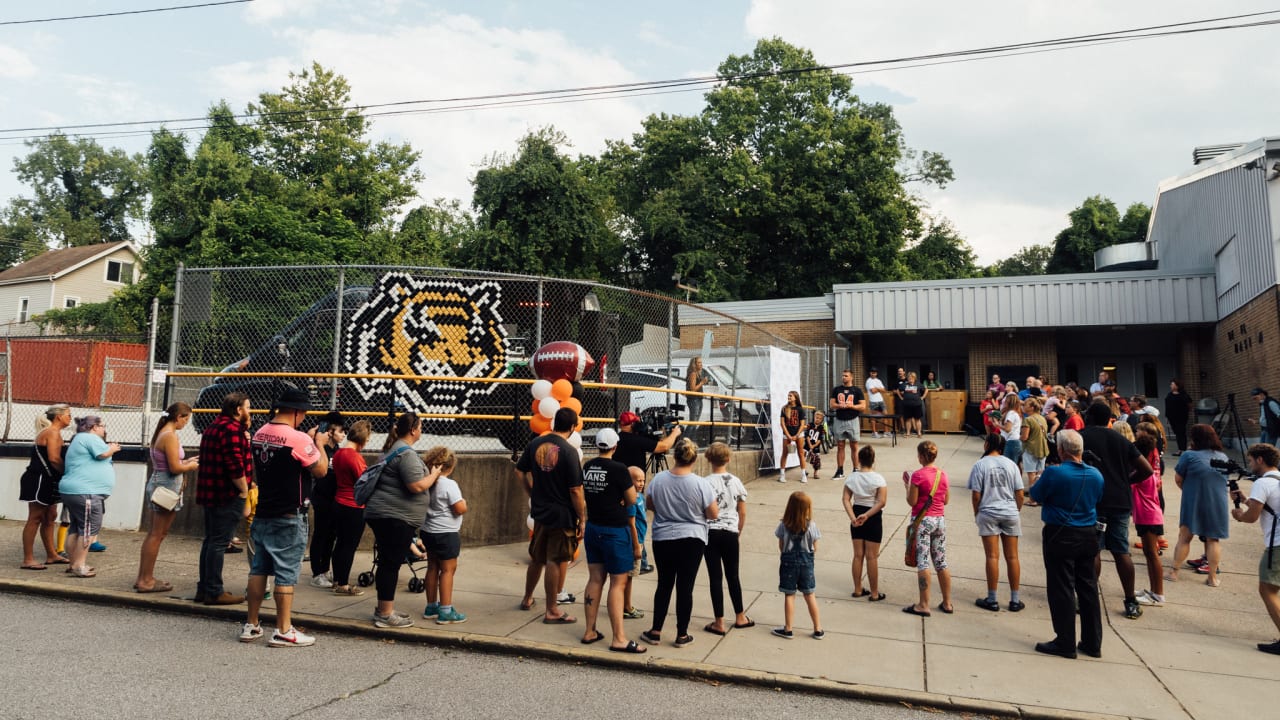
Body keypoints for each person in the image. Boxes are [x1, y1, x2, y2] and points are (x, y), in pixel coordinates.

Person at [239, 388, 331, 647]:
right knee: (286, 573)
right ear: (297, 411)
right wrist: (319, 445)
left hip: (264, 510)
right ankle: (283, 628)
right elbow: (321, 470)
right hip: (290, 512)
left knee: (259, 569)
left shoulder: (259, 433)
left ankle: (252, 624)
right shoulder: (299, 439)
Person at [362, 412, 442, 629]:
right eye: (421, 426)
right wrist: (434, 474)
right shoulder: (405, 454)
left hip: (387, 515)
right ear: (414, 430)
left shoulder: (394, 450)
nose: (422, 430)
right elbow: (415, 485)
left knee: (388, 562)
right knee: (390, 564)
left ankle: (384, 609)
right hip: (393, 517)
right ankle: (385, 615)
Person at [1030, 429, 1105, 659]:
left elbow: (1035, 495)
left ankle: (1065, 641)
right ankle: (1092, 643)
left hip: (1060, 532)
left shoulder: (1055, 473)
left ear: (1061, 450)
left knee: (1061, 587)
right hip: (1088, 533)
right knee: (1088, 587)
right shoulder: (1096, 475)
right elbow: (1098, 498)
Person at [640, 437, 716, 648]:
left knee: (664, 584)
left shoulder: (658, 480)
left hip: (664, 536)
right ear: (693, 459)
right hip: (693, 538)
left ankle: (656, 630)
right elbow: (712, 513)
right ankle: (681, 634)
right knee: (685, 586)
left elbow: (650, 503)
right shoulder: (701, 484)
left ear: (675, 456)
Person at [1080, 401, 1153, 620]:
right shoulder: (1122, 440)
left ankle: (1088, 596)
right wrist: (1127, 480)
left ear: (1091, 417)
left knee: (1093, 550)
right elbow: (1146, 469)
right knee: (1121, 551)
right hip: (1121, 501)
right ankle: (1130, 599)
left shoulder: (1082, 436)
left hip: (1095, 501)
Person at [517, 408, 586, 623]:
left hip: (540, 511)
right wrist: (582, 517)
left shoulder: (535, 444)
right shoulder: (569, 451)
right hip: (561, 513)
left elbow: (519, 471)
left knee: (537, 558)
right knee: (555, 560)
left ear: (554, 423)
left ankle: (527, 598)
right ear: (573, 427)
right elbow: (575, 490)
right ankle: (552, 609)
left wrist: (531, 492)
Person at [579, 429, 644, 652]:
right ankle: (619, 638)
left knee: (595, 579)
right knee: (618, 583)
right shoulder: (619, 469)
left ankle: (590, 631)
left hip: (594, 526)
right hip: (615, 530)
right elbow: (632, 499)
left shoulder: (588, 466)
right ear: (615, 446)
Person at [135, 402, 199, 593]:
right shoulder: (169, 436)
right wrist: (190, 466)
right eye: (186, 419)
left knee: (156, 534)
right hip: (166, 486)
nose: (186, 423)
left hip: (161, 483)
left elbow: (171, 463)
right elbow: (175, 468)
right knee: (157, 534)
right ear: (179, 417)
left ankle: (144, 577)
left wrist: (185, 462)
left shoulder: (161, 433)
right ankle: (146, 580)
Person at [195, 393, 252, 605]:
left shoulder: (213, 427)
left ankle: (204, 587)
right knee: (219, 543)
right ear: (238, 409)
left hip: (211, 492)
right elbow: (235, 465)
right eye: (248, 407)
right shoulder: (232, 430)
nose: (250, 411)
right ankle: (214, 590)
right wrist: (244, 491)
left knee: (211, 541)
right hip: (226, 494)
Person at [1229, 443, 1280, 654]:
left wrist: (1239, 515)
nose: (1249, 464)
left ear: (1260, 460)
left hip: (1277, 545)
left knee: (1267, 589)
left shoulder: (1262, 483)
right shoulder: (1277, 479)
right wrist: (1244, 499)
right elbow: (1269, 506)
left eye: (1250, 460)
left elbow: (1252, 517)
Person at [1167, 424, 1231, 587]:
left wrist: (1189, 490)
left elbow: (1178, 479)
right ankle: (1212, 577)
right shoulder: (1223, 457)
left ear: (1194, 439)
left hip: (1194, 500)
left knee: (1185, 537)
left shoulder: (1189, 455)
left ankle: (1174, 572)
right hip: (1218, 502)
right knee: (1213, 540)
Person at [968, 434, 1025, 612]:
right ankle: (1015, 599)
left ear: (986, 445)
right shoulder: (1011, 465)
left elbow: (976, 495)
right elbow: (1020, 493)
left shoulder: (980, 465)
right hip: (1010, 512)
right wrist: (1016, 510)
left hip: (988, 511)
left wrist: (977, 513)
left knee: (992, 556)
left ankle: (992, 598)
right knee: (1013, 557)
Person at [59, 416, 121, 578]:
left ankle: (73, 564)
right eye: (102, 426)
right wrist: (112, 448)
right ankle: (79, 565)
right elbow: (101, 455)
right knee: (88, 528)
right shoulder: (89, 437)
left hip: (75, 490)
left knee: (76, 527)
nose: (104, 429)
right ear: (94, 427)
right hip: (86, 492)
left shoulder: (79, 439)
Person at [702, 442, 751, 636]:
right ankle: (740, 616)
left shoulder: (704, 482)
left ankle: (719, 621)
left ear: (708, 459)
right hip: (730, 531)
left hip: (711, 532)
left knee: (715, 577)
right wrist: (738, 530)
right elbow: (743, 511)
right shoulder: (736, 481)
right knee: (733, 575)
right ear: (728, 459)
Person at [902, 440, 952, 617]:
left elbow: (912, 502)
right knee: (941, 561)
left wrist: (907, 487)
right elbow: (945, 500)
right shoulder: (943, 474)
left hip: (923, 522)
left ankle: (923, 604)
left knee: (923, 562)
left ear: (922, 456)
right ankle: (947, 602)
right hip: (939, 520)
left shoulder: (918, 475)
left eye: (918, 454)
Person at [419, 447, 468, 625]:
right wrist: (464, 503)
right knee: (448, 570)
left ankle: (431, 606)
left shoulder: (427, 482)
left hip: (428, 531)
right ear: (450, 466)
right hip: (446, 533)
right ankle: (446, 611)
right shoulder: (449, 484)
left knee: (432, 567)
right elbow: (459, 509)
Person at [20, 404, 70, 570]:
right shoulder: (52, 433)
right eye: (68, 414)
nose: (70, 418)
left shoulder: (55, 433)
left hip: (49, 480)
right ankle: (28, 559)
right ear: (58, 417)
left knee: (50, 516)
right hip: (39, 479)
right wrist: (68, 473)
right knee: (35, 517)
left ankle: (51, 555)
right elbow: (54, 459)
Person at [773, 491, 824, 640]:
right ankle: (818, 628)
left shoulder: (784, 525)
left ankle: (788, 629)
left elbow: (781, 545)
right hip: (806, 563)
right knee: (809, 594)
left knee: (789, 594)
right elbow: (816, 546)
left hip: (788, 562)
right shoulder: (811, 525)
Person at [328, 419, 369, 596]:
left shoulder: (339, 454)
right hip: (353, 505)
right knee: (349, 546)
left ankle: (337, 579)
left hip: (338, 501)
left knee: (340, 544)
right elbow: (364, 480)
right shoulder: (355, 457)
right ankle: (343, 584)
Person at [842, 445, 887, 601]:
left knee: (857, 555)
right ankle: (874, 593)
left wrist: (853, 517)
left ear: (859, 460)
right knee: (872, 557)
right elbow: (881, 502)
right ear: (873, 460)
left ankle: (858, 589)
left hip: (856, 514)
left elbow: (846, 499)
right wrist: (867, 515)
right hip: (872, 516)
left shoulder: (852, 477)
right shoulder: (878, 479)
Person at [308, 411, 346, 588]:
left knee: (331, 535)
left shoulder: (337, 450)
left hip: (334, 498)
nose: (343, 434)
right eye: (340, 431)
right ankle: (317, 572)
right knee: (321, 535)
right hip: (322, 497)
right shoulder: (321, 449)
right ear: (330, 432)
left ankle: (324, 569)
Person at [1131, 429, 1166, 607]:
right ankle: (1153, 591)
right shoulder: (1148, 471)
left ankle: (1158, 594)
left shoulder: (1143, 473)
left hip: (1149, 517)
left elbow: (1127, 482)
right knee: (1148, 554)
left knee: (1152, 554)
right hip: (1148, 515)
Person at [615, 410, 681, 476]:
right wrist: (675, 433)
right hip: (634, 481)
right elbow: (664, 446)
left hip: (617, 478)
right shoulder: (637, 440)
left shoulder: (615, 438)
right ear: (632, 424)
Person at [829, 369, 868, 479]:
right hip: (840, 419)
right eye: (843, 376)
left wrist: (852, 406)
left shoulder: (857, 390)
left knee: (854, 446)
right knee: (840, 446)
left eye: (846, 376)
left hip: (853, 419)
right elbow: (832, 404)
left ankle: (856, 469)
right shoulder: (837, 389)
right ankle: (840, 470)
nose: (844, 377)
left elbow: (863, 406)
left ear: (851, 377)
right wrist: (839, 405)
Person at [622, 467, 649, 618]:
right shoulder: (631, 498)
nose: (641, 483)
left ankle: (625, 604)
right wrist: (637, 546)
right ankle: (627, 606)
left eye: (643, 480)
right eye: (637, 480)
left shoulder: (639, 496)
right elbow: (631, 523)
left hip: (639, 539)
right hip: (634, 541)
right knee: (629, 576)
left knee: (629, 576)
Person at [1021, 397, 1050, 500]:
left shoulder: (1028, 420)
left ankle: (1032, 499)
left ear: (1032, 407)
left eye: (1025, 405)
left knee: (1031, 475)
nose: (1023, 406)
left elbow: (1024, 437)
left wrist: (1018, 436)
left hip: (1031, 449)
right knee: (1039, 474)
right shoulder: (1042, 418)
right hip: (1043, 448)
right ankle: (1039, 497)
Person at [777, 390, 808, 483]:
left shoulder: (800, 409)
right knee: (785, 453)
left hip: (799, 434)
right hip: (787, 434)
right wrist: (788, 435)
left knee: (800, 453)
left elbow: (802, 424)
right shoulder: (784, 408)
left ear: (795, 397)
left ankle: (803, 475)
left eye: (791, 396)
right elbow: (782, 423)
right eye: (788, 395)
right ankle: (782, 475)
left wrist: (797, 435)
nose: (789, 397)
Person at [1164, 379, 1193, 455]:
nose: (1171, 386)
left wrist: (1185, 412)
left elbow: (1189, 404)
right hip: (1172, 417)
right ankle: (1180, 449)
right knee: (1177, 433)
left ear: (1177, 386)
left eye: (1172, 384)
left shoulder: (1183, 394)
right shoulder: (1169, 394)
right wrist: (1167, 416)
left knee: (1181, 432)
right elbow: (1167, 405)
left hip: (1181, 417)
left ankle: (1182, 449)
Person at [685, 357, 709, 443]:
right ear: (694, 364)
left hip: (698, 399)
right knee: (693, 422)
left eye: (701, 363)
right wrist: (702, 382)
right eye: (699, 363)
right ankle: (685, 441)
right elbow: (693, 389)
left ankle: (690, 441)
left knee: (695, 422)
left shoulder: (698, 373)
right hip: (694, 400)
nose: (701, 364)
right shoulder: (693, 374)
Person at [897, 371, 926, 438]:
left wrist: (922, 397)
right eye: (909, 377)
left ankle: (919, 433)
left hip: (917, 404)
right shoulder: (904, 384)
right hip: (907, 405)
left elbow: (926, 389)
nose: (910, 379)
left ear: (914, 378)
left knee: (917, 419)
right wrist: (901, 397)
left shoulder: (918, 384)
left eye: (912, 377)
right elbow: (898, 390)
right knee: (908, 419)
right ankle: (908, 433)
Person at [865, 367, 888, 439]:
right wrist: (879, 389)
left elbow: (884, 390)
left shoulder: (878, 380)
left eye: (874, 372)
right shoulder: (868, 381)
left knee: (886, 415)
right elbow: (873, 391)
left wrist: (877, 389)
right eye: (872, 372)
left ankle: (886, 432)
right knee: (873, 418)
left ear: (876, 373)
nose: (873, 374)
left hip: (881, 400)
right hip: (873, 401)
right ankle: (874, 433)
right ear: (870, 373)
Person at [1001, 394, 1024, 465]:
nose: (1004, 403)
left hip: (1011, 442)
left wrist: (997, 425)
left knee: (1008, 465)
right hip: (1015, 441)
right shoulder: (1016, 413)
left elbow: (1008, 429)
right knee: (1015, 465)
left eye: (1006, 401)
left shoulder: (1011, 413)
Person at [805, 411, 827, 479]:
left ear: (822, 420)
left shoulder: (821, 428)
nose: (817, 419)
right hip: (807, 445)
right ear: (814, 417)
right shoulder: (810, 425)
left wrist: (814, 446)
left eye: (819, 418)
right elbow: (807, 436)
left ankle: (815, 473)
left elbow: (820, 439)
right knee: (803, 457)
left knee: (816, 461)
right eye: (816, 417)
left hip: (816, 446)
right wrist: (810, 445)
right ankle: (804, 470)